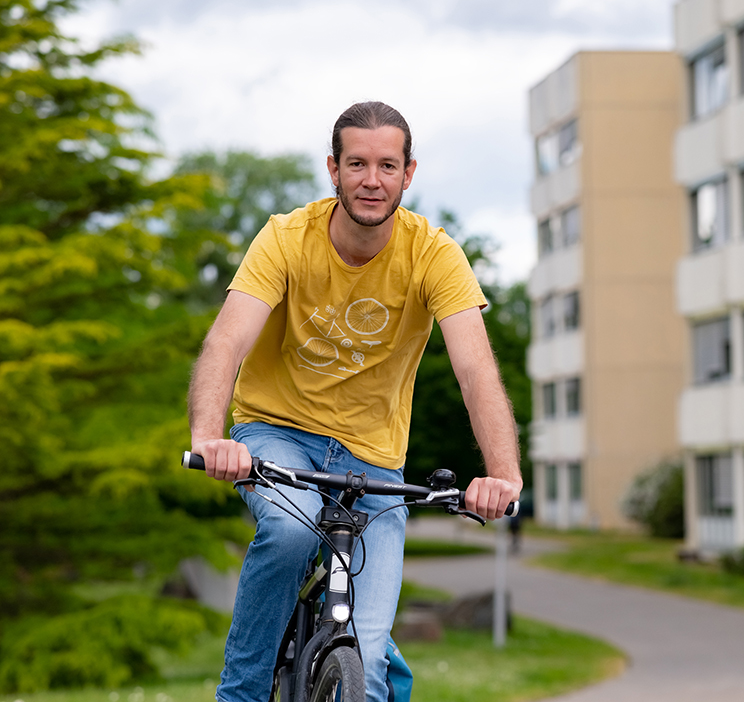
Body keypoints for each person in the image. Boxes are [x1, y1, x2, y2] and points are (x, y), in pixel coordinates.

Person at [187, 101, 522, 702]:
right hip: (277, 433)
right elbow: (225, 342)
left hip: (371, 460)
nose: (373, 179)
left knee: (365, 672)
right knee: (290, 538)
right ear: (333, 170)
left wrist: (502, 475)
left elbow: (475, 370)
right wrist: (210, 437)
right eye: (358, 164)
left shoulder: (434, 253)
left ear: (408, 173)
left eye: (387, 165)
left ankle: (356, 656)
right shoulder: (287, 238)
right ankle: (240, 692)